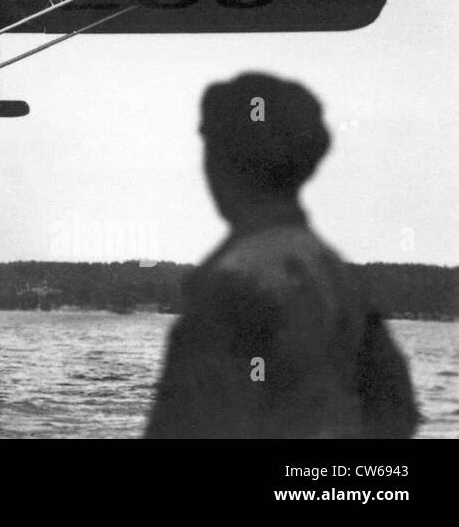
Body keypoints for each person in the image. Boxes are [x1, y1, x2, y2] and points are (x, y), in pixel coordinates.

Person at [145, 72, 417, 438]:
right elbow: (396, 410)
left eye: (212, 148)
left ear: (223, 164)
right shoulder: (336, 275)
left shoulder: (233, 283)